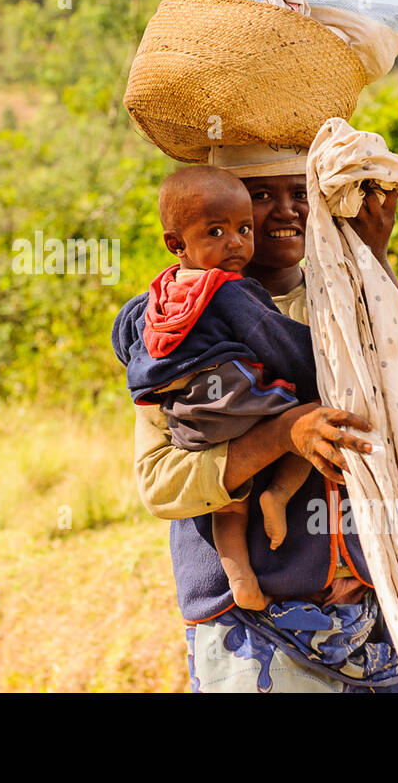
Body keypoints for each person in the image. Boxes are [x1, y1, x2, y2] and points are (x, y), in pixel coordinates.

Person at [126, 145, 398, 693]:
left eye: (302, 194)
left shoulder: (356, 297)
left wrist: (375, 267)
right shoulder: (181, 324)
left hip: (380, 611)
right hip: (251, 628)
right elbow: (160, 484)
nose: (288, 212)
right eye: (261, 197)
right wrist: (280, 435)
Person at [114, 166, 321, 611]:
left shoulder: (155, 298)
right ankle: (279, 495)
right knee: (309, 426)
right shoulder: (230, 291)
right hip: (242, 404)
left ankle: (240, 574)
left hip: (193, 421)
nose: (235, 242)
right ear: (177, 242)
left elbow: (126, 341)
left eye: (241, 229)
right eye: (217, 231)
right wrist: (322, 383)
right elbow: (277, 341)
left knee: (227, 507)